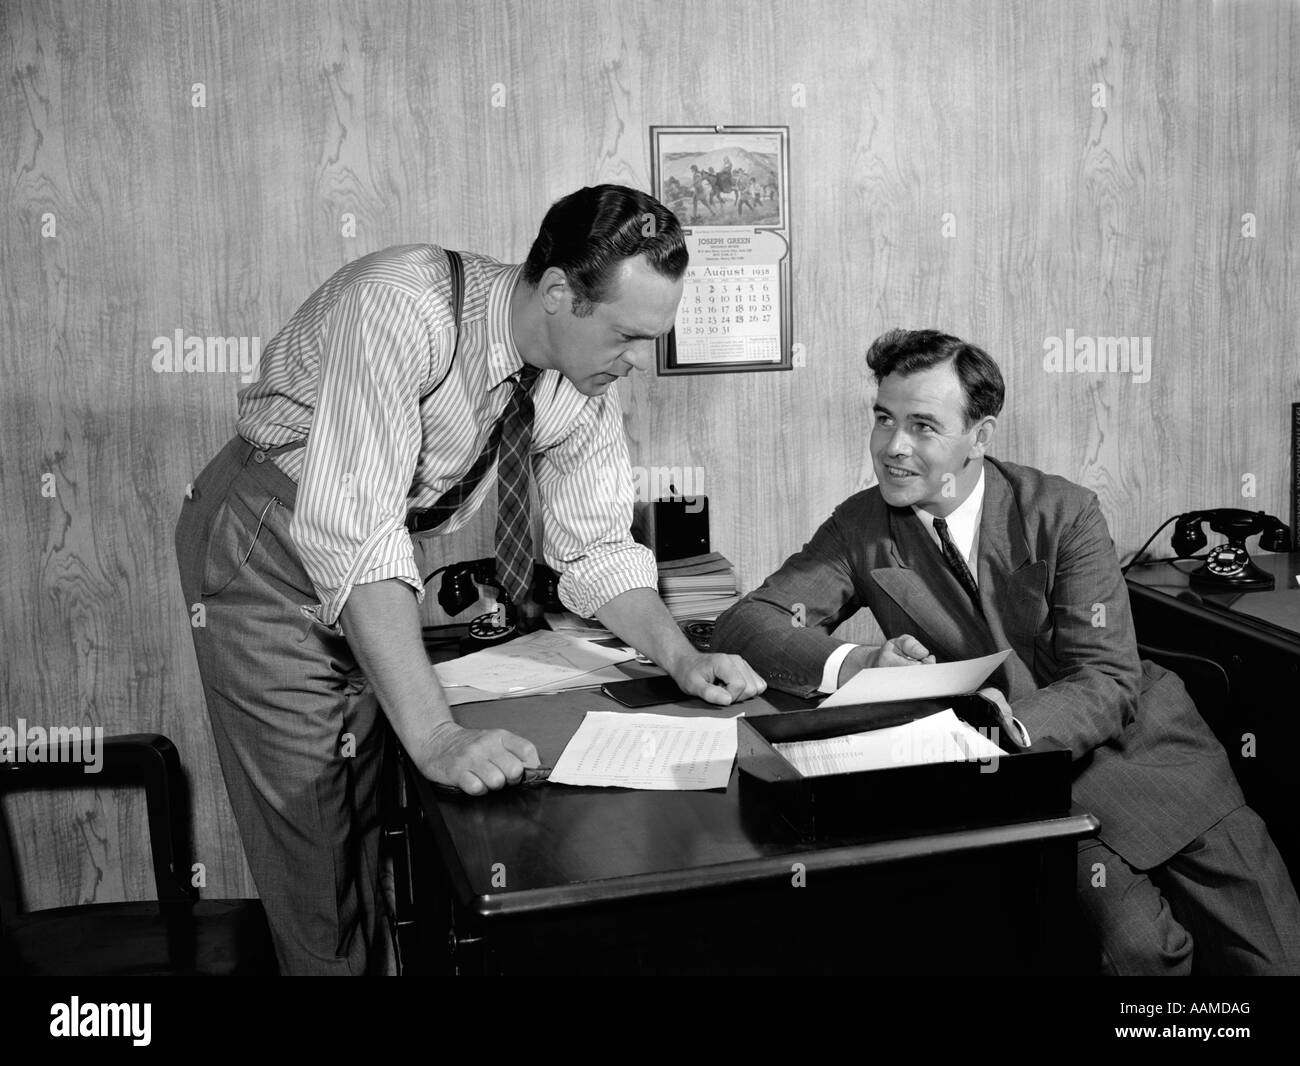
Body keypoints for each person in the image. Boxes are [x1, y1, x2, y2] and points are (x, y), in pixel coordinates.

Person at [175, 184, 765, 975]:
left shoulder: (574, 380)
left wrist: (680, 658)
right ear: (558, 291)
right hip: (267, 543)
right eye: (628, 335)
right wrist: (440, 734)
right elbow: (351, 529)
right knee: (316, 839)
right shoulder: (400, 306)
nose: (636, 361)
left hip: (370, 550)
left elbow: (594, 550)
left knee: (364, 808)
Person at [713, 328, 1300, 975]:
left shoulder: (1062, 513)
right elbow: (746, 623)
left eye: (922, 426)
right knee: (1140, 954)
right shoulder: (862, 525)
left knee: (1277, 954)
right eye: (883, 419)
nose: (892, 447)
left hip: (1149, 757)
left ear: (980, 437)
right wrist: (855, 663)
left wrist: (1009, 724)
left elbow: (1106, 678)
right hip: (1033, 795)